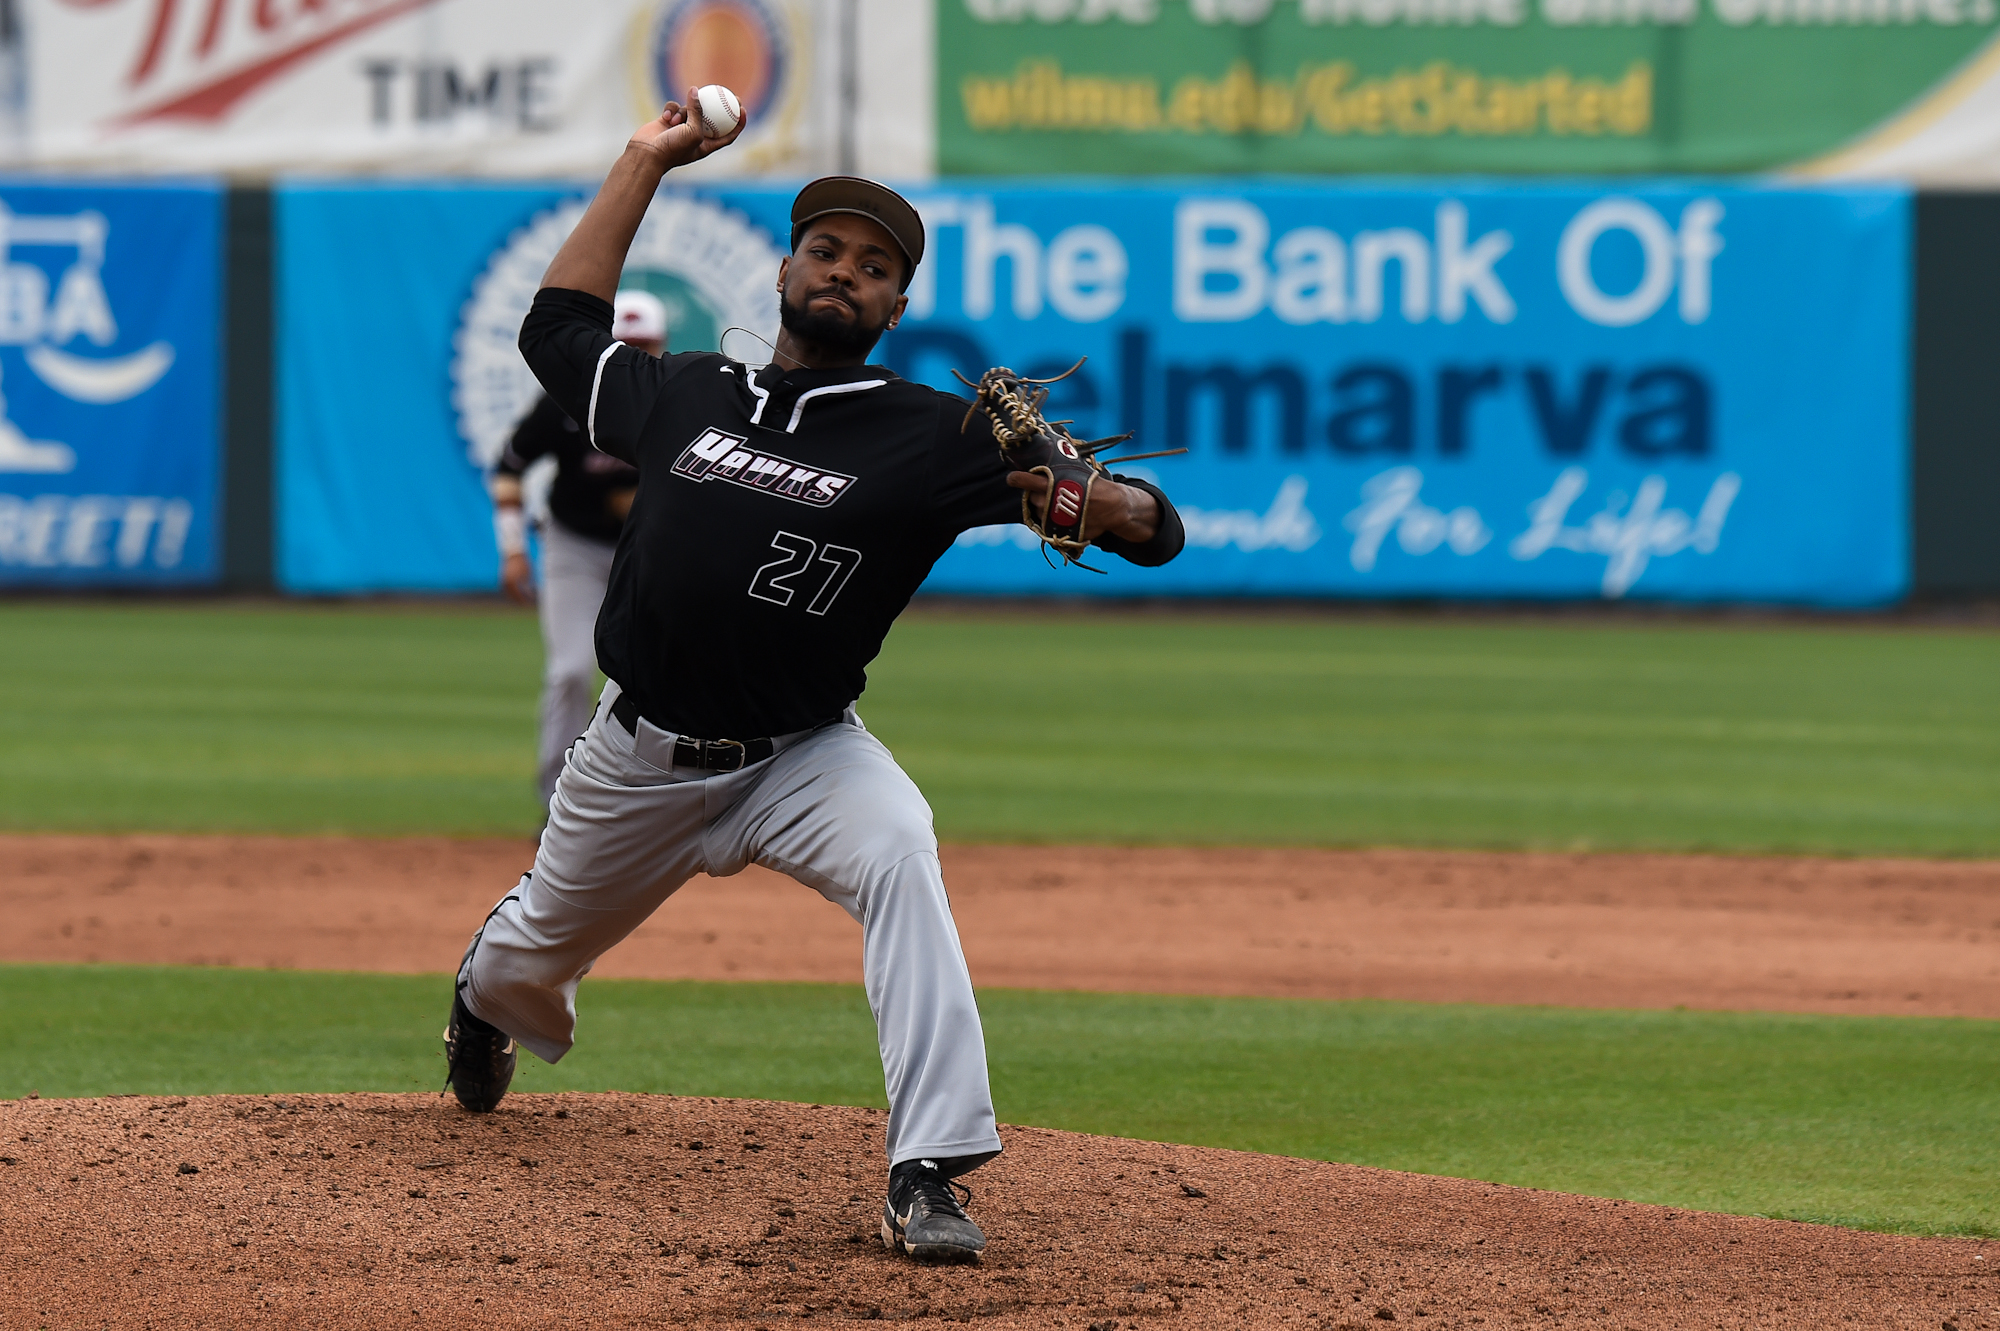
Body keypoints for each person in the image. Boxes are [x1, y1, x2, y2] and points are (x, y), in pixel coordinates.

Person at [441, 91, 1186, 1263]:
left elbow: (1156, 532)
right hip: (634, 757)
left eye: (874, 264)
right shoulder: (684, 389)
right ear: (785, 268)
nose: (844, 271)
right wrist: (645, 158)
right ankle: (483, 1003)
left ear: (895, 305)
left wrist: (1095, 496)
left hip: (802, 754)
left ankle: (927, 1167)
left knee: (901, 849)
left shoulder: (937, 436)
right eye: (825, 249)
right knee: (527, 956)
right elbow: (555, 326)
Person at [490, 290, 668, 803]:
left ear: (660, 345)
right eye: (625, 344)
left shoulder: (680, 401)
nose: (636, 354)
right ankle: (555, 803)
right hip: (575, 546)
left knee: (661, 680)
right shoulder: (569, 403)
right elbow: (509, 466)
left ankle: (651, 805)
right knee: (569, 671)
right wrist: (513, 548)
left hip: (652, 554)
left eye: (644, 344)